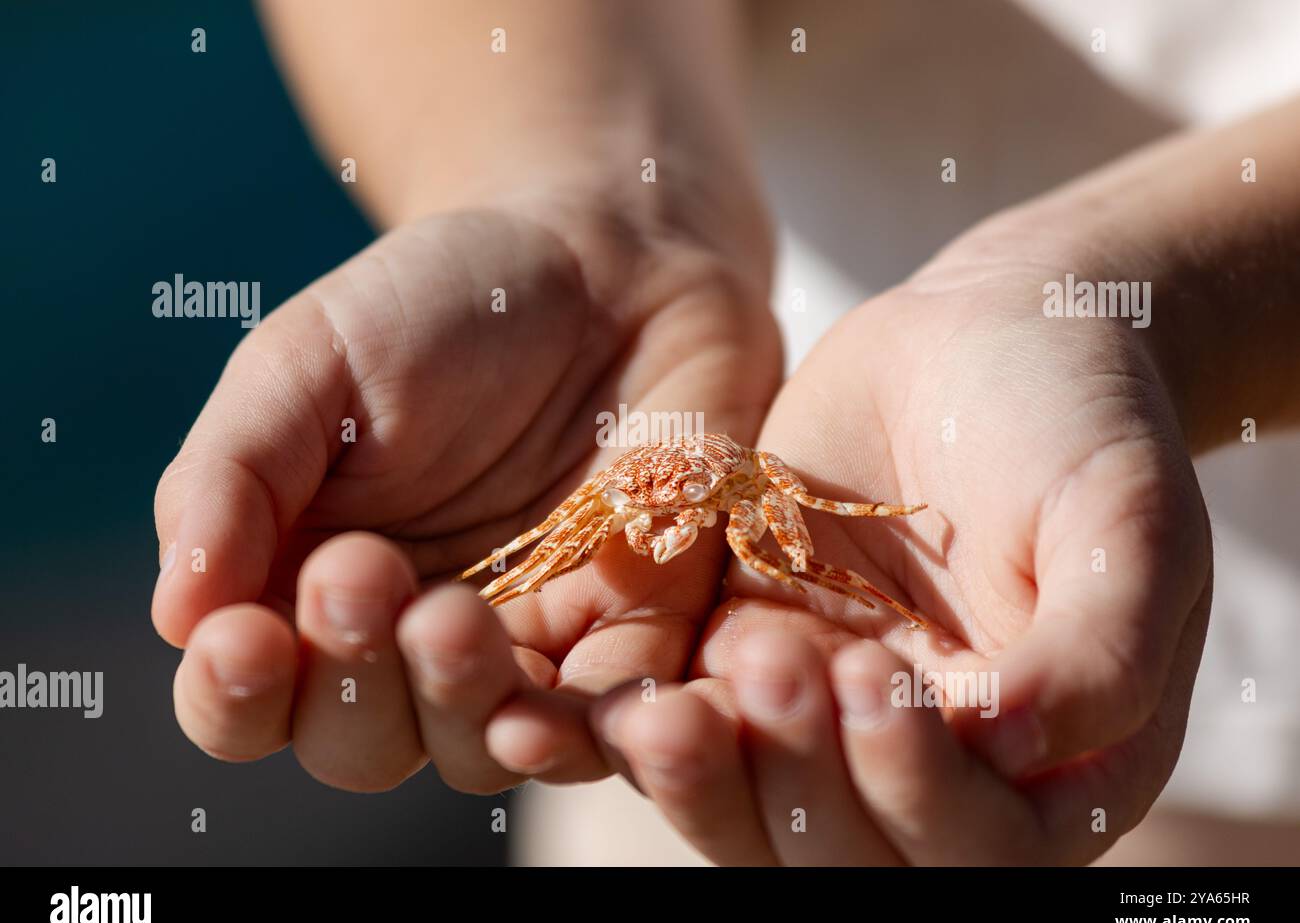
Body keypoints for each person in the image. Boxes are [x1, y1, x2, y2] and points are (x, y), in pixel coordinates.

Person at [152, 0, 1300, 864]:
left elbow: (814, 512)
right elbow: (566, 540)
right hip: (694, 685)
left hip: (976, 594)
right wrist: (584, 191)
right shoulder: (621, 497)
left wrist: (1153, 303)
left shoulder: (754, 493)